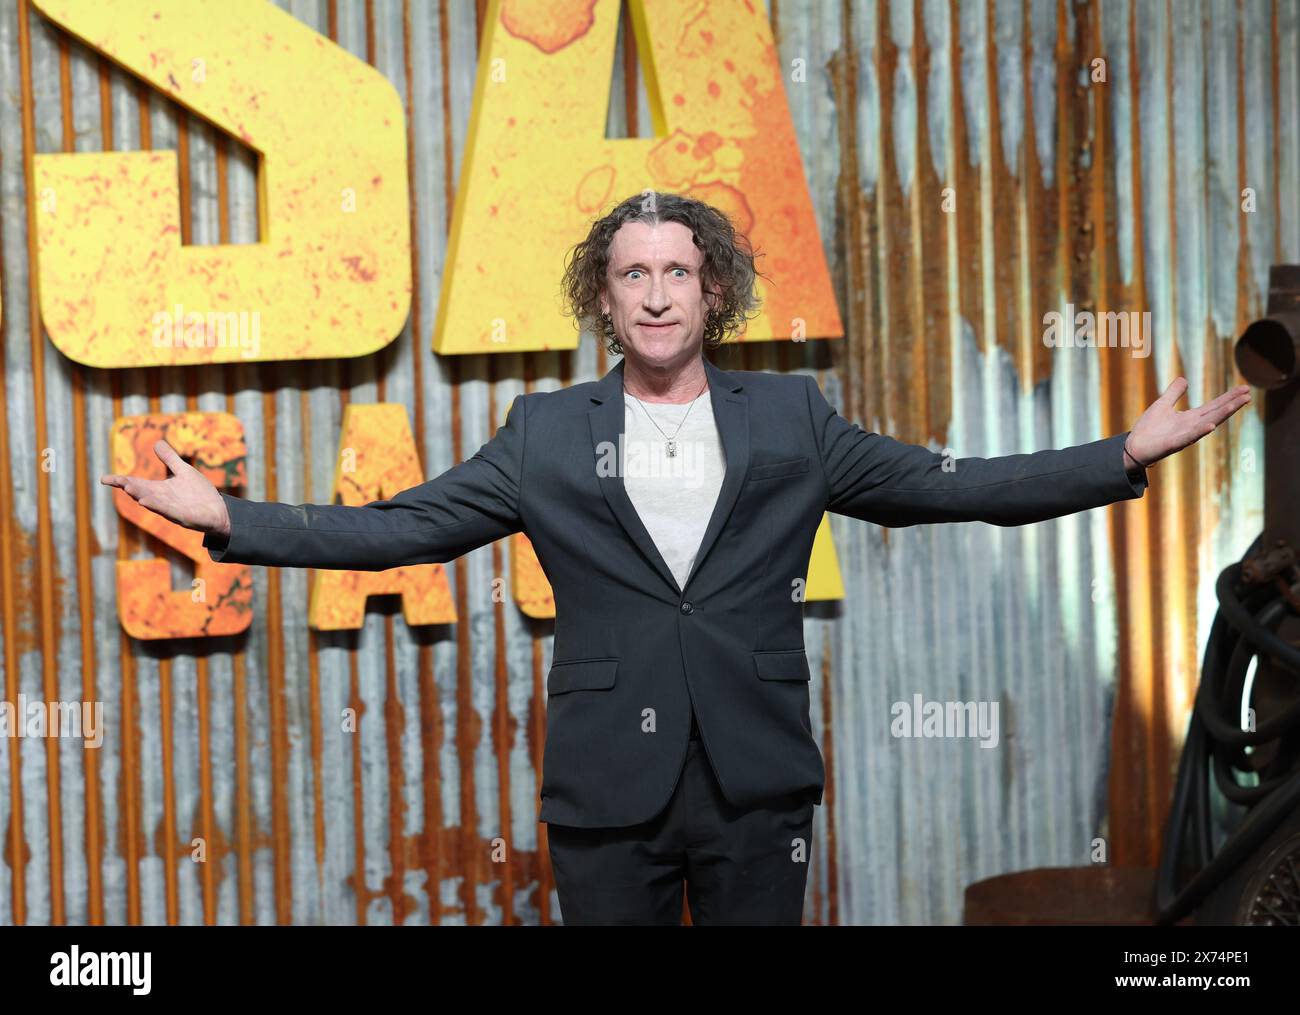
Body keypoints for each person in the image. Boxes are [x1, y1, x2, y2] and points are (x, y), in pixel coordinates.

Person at [102, 191, 1251, 925]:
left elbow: (949, 489)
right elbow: (403, 526)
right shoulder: (545, 432)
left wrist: (1120, 452)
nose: (656, 294)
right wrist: (228, 515)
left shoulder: (791, 418)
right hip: (608, 786)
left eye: (677, 273)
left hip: (758, 779)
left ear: (713, 292)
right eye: (631, 276)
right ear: (604, 300)